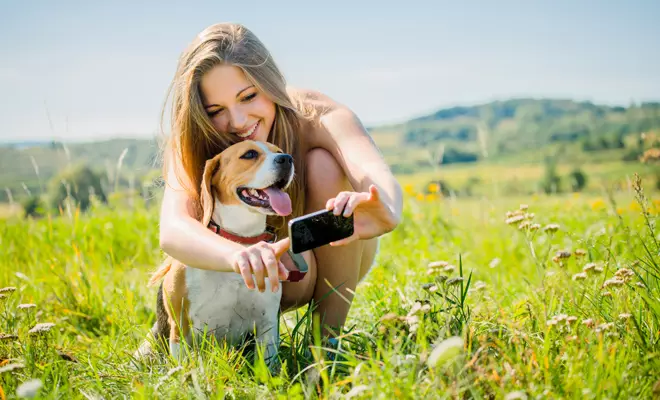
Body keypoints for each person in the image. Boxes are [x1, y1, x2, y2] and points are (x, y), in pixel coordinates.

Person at [157, 22, 403, 339]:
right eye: (216, 110)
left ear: (270, 83)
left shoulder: (313, 113)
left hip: (305, 265)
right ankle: (176, 331)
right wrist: (236, 255)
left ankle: (326, 343)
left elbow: (370, 168)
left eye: (248, 96)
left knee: (324, 166)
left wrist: (386, 208)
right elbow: (173, 229)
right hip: (225, 272)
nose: (238, 122)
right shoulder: (194, 137)